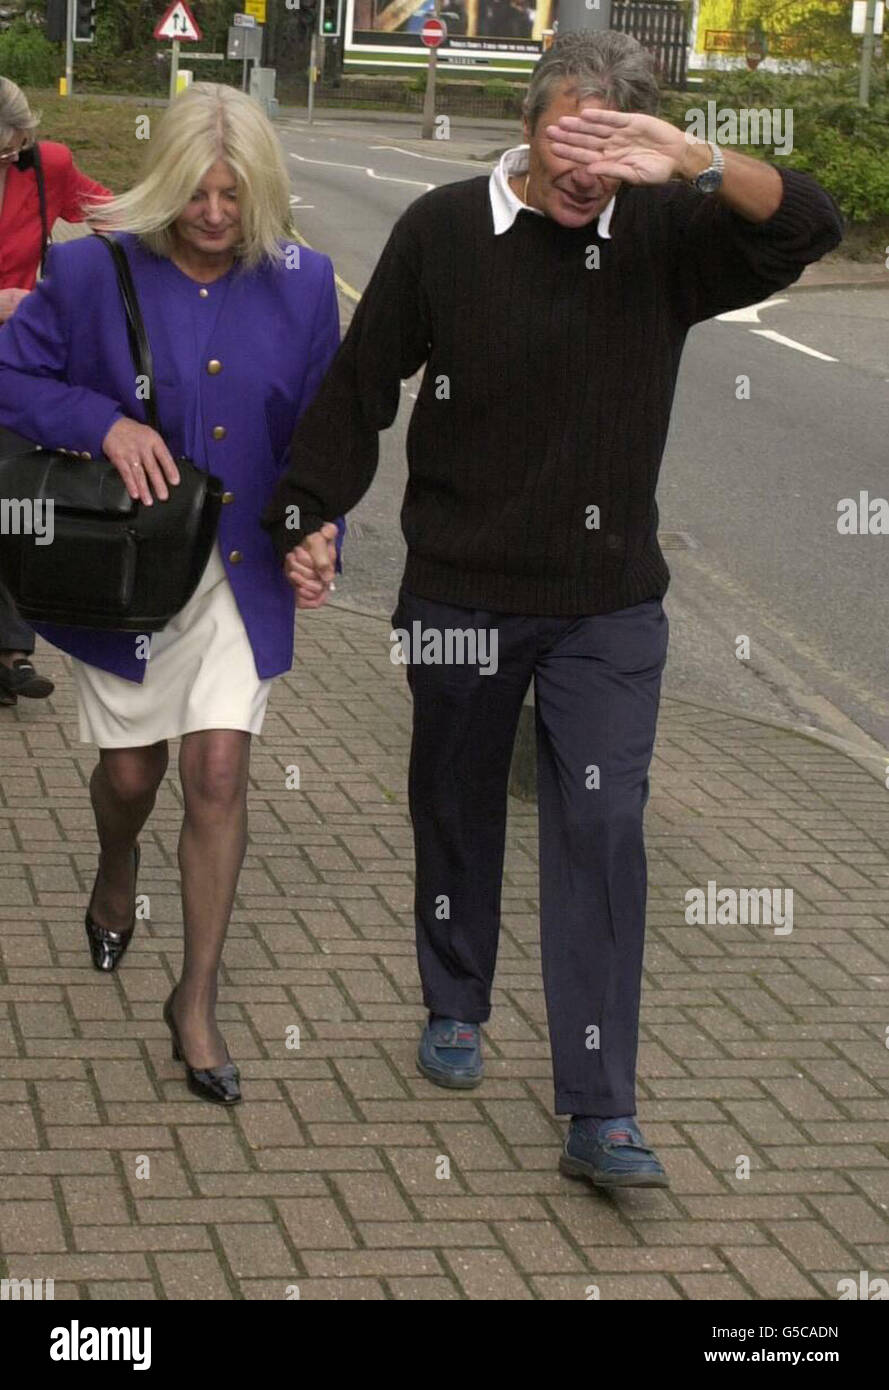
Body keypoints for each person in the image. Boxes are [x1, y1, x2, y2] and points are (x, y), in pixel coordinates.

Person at [262, 32, 843, 1185]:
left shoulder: (668, 235)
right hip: (461, 588)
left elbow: (807, 228)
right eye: (568, 139)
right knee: (456, 800)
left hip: (607, 603)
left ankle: (599, 1108)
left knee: (601, 824)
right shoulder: (440, 231)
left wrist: (693, 161)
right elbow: (360, 382)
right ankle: (455, 994)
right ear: (528, 126)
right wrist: (307, 511)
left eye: (611, 144)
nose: (585, 171)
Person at [0, 82, 343, 1106]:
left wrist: (320, 529)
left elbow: (325, 436)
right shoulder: (90, 267)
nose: (213, 214)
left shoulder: (304, 280)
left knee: (220, 772)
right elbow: (10, 377)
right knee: (134, 778)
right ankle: (115, 866)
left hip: (240, 569)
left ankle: (195, 998)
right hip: (128, 571)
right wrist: (100, 422)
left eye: (235, 195)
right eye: (196, 192)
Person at [0, 76, 111, 707]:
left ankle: (12, 651)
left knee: (14, 493)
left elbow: (116, 216)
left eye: (8, 152)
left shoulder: (47, 166)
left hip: (18, 359)